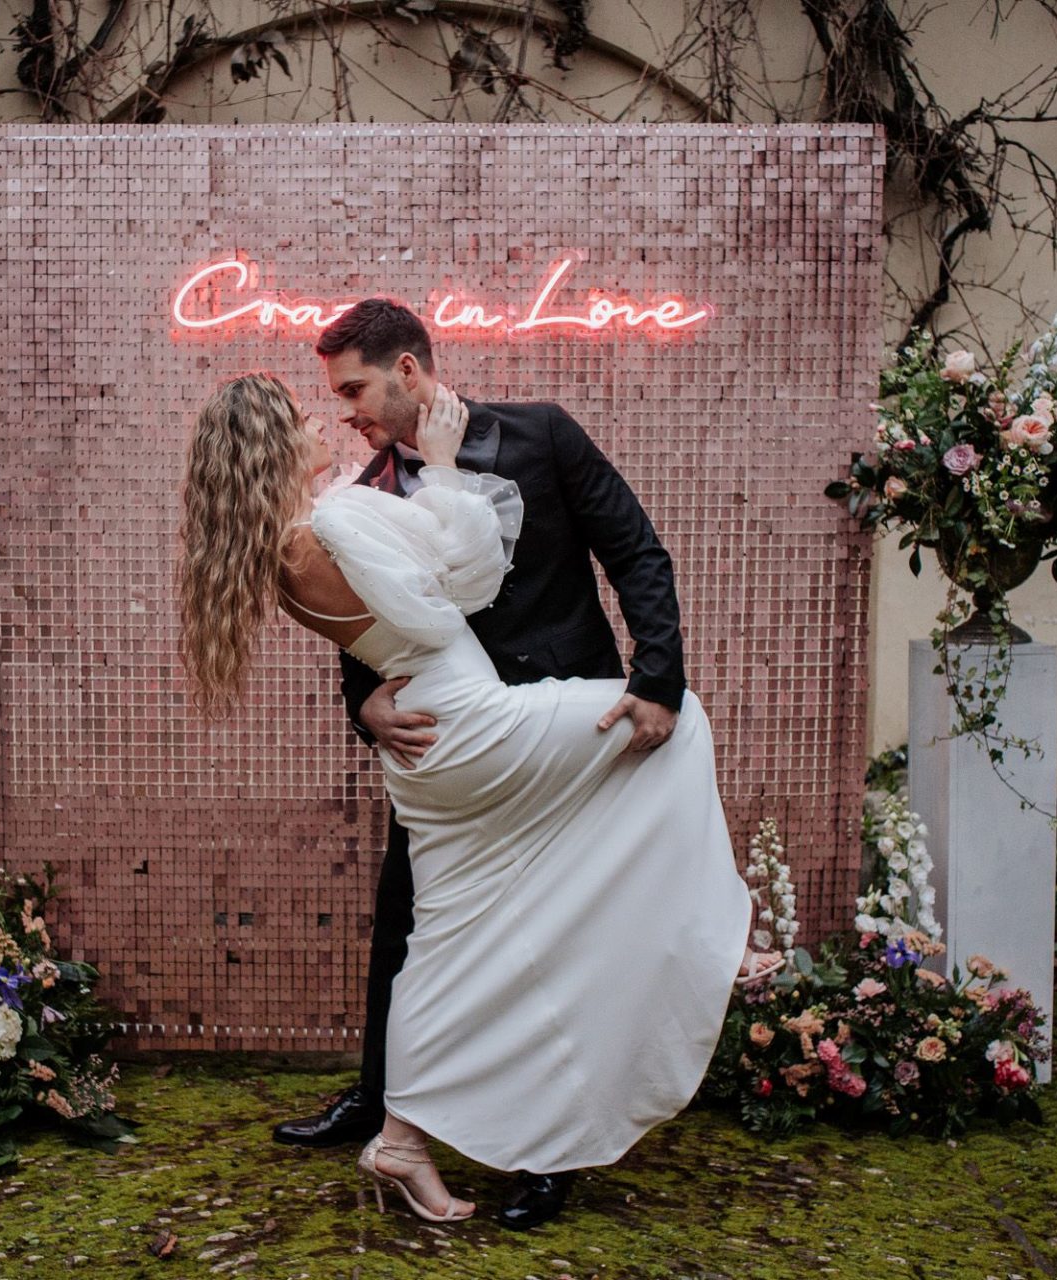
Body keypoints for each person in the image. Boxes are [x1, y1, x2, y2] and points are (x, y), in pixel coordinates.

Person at [179, 364, 763, 1227]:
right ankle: (711, 928)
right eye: (309, 412)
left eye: (343, 395)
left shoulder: (279, 549)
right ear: (270, 446)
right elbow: (457, 591)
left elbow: (388, 628)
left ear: (406, 369)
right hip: (473, 724)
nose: (327, 421)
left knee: (445, 945)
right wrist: (448, 474)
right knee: (675, 728)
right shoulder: (337, 514)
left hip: (427, 752)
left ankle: (404, 1139)